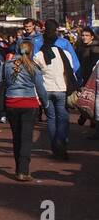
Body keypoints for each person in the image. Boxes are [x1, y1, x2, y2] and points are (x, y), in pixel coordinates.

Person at [0, 38, 48, 182]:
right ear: (31, 51)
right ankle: (23, 170)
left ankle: (17, 168)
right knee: (26, 138)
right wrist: (45, 104)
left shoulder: (6, 65)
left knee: (16, 137)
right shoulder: (33, 66)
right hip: (29, 104)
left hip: (11, 102)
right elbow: (40, 88)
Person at [34, 19, 76, 161]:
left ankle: (55, 147)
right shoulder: (65, 53)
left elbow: (36, 72)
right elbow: (72, 68)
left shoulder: (38, 55)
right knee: (63, 118)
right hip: (61, 88)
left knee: (51, 118)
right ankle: (60, 143)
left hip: (46, 89)